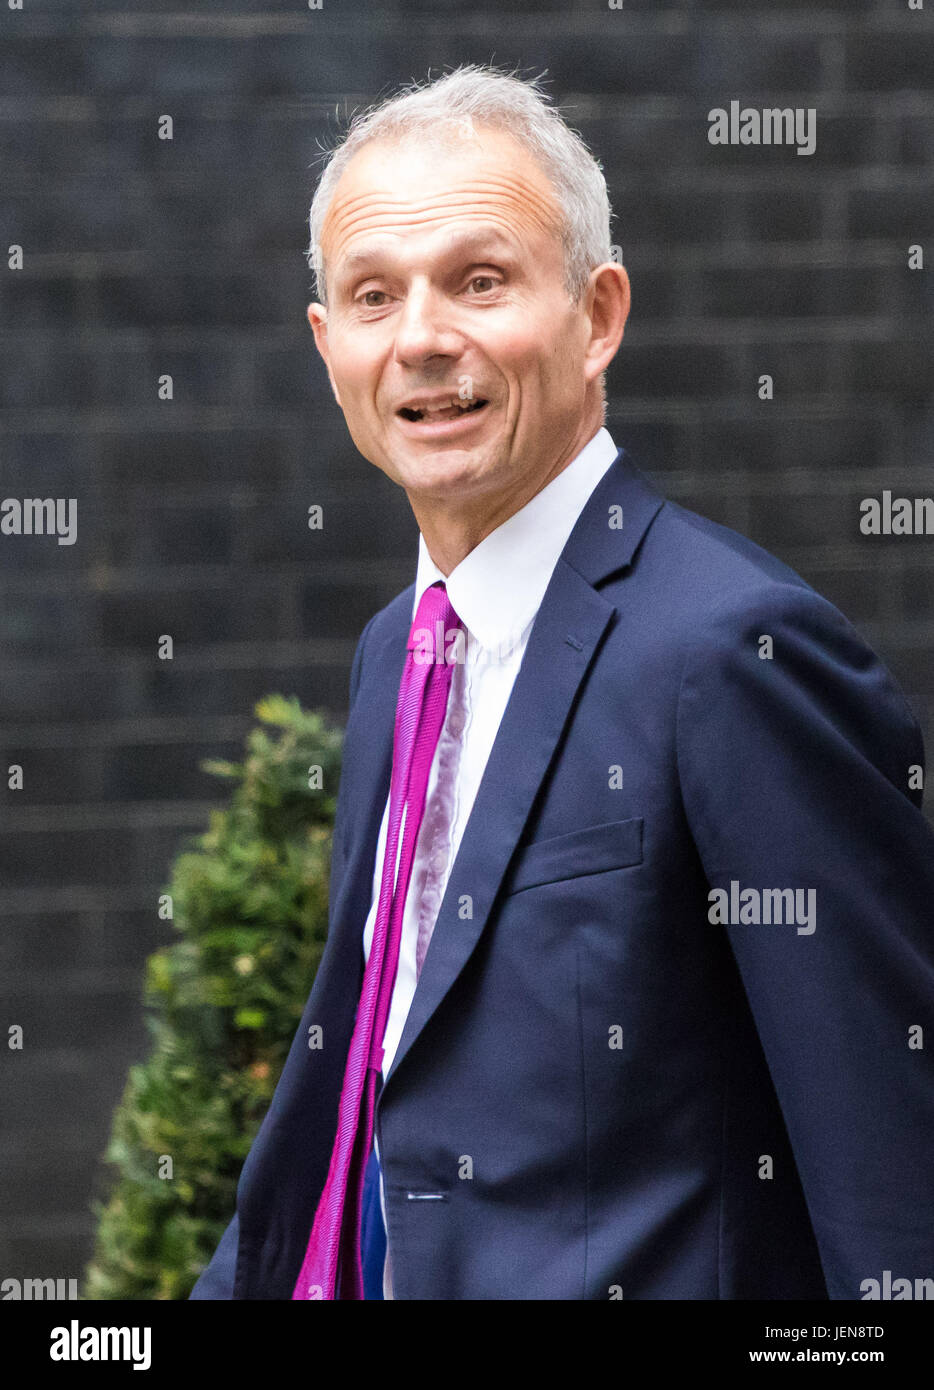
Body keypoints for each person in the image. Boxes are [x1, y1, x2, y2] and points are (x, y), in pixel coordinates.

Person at [191, 64, 934, 1301]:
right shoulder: (397, 651)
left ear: (598, 316)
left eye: (480, 280)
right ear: (330, 349)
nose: (423, 336)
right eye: (373, 295)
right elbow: (364, 1072)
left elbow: (889, 1156)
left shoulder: (731, 650)